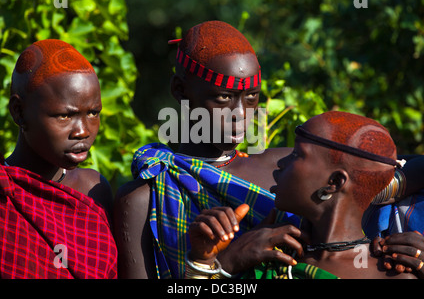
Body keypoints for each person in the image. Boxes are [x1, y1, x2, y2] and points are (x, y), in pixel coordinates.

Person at [114, 21, 424, 279]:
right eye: (223, 98)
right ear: (180, 91)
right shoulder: (144, 197)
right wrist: (227, 263)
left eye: (251, 98)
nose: (241, 114)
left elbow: (373, 175)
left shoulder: (291, 167)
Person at [186, 111, 423, 279]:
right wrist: (211, 261)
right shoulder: (266, 257)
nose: (279, 162)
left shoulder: (393, 274)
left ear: (334, 183)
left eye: (297, 155)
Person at [0, 39, 117, 278]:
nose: (82, 131)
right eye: (65, 116)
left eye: (93, 113)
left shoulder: (94, 190)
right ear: (18, 112)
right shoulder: (4, 190)